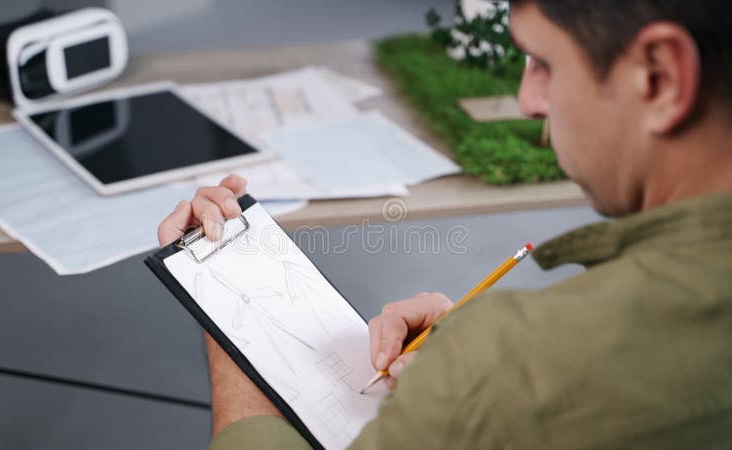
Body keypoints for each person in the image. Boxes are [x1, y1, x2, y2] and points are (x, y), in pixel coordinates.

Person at [157, 0, 732, 448]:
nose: (529, 99)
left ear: (658, 75)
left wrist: (226, 307)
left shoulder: (511, 366)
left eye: (545, 64)